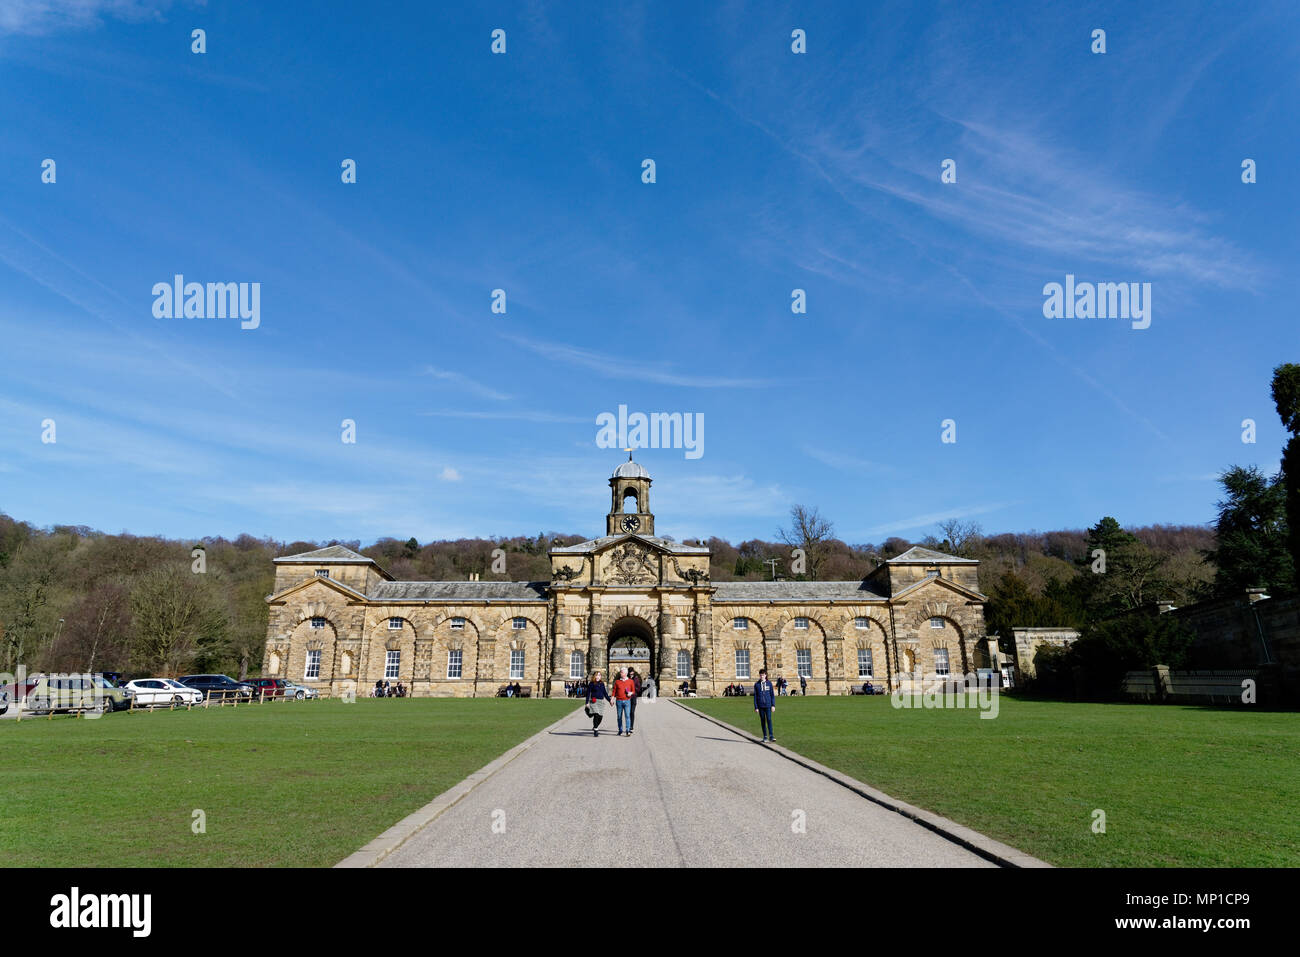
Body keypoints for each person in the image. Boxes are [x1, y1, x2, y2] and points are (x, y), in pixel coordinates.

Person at [754, 668, 776, 742]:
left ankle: (771, 736)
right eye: (760, 675)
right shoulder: (757, 684)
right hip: (761, 706)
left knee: (769, 720)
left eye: (763, 675)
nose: (762, 676)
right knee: (763, 721)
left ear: (765, 675)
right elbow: (755, 697)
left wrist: (773, 705)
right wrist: (756, 707)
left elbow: (772, 695)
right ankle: (765, 736)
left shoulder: (769, 683)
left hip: (768, 705)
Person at [586, 671, 611, 736]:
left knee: (600, 717)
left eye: (599, 675)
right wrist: (587, 703)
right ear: (594, 676)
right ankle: (596, 730)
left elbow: (605, 693)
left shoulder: (602, 684)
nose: (598, 676)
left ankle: (595, 726)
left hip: (601, 702)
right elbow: (588, 693)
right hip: (594, 701)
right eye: (597, 675)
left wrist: (610, 700)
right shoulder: (591, 683)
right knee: (596, 714)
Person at [612, 668, 636, 736]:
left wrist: (630, 693)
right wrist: (612, 699)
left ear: (625, 673)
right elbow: (614, 691)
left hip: (627, 701)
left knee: (627, 716)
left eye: (621, 672)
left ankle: (628, 730)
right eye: (620, 672)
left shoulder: (631, 681)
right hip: (619, 701)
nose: (620, 673)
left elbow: (633, 691)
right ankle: (620, 730)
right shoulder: (617, 682)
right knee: (619, 716)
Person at [628, 668, 643, 732]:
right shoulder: (626, 678)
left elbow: (639, 688)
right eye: (630, 673)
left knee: (632, 712)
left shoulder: (636, 679)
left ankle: (631, 726)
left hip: (633, 697)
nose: (631, 674)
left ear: (633, 672)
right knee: (627, 713)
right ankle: (628, 726)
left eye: (632, 673)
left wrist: (633, 690)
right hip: (627, 697)